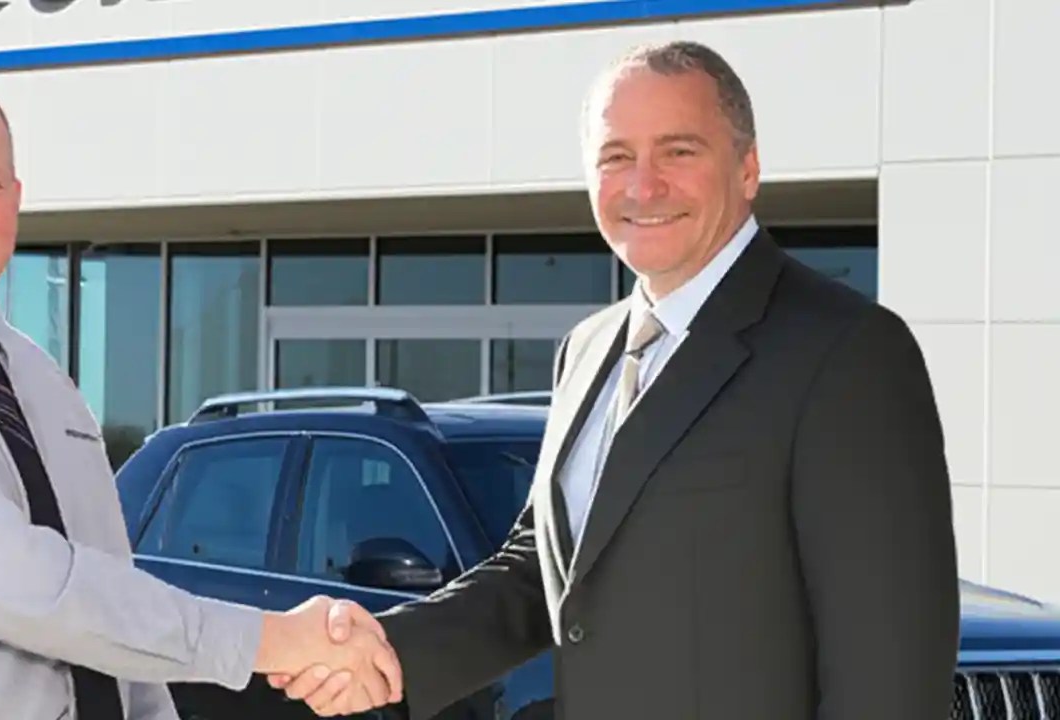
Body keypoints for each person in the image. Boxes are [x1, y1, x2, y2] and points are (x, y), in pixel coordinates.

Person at [271, 40, 961, 719]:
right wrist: (391, 650)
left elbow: (890, 680)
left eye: (678, 151)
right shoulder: (588, 348)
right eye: (616, 156)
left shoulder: (846, 352)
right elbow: (539, 576)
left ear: (748, 168)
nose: (643, 184)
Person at [0, 67, 400, 720]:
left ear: (15, 197)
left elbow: (108, 597)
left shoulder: (42, 385)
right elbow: (27, 586)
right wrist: (275, 640)